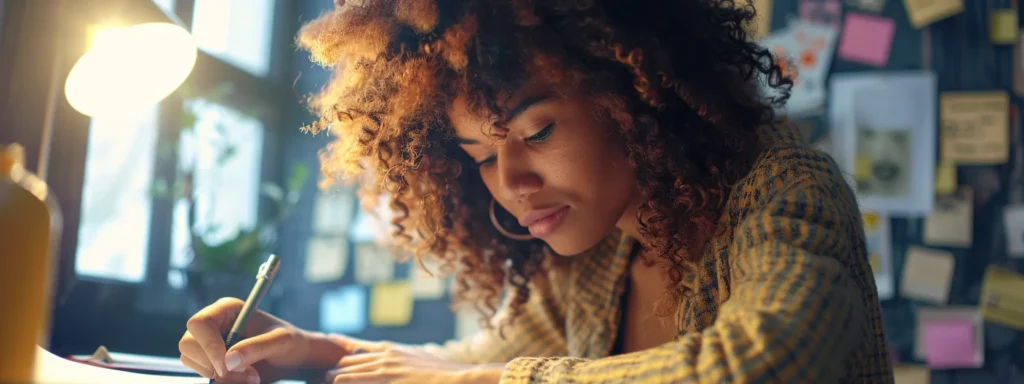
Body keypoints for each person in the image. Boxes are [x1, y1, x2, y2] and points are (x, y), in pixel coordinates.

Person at [178, 0, 893, 382]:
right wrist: (310, 348)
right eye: (480, 156)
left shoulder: (784, 190)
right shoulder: (600, 264)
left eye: (538, 131)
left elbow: (766, 365)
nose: (512, 183)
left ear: (631, 94)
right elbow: (462, 360)